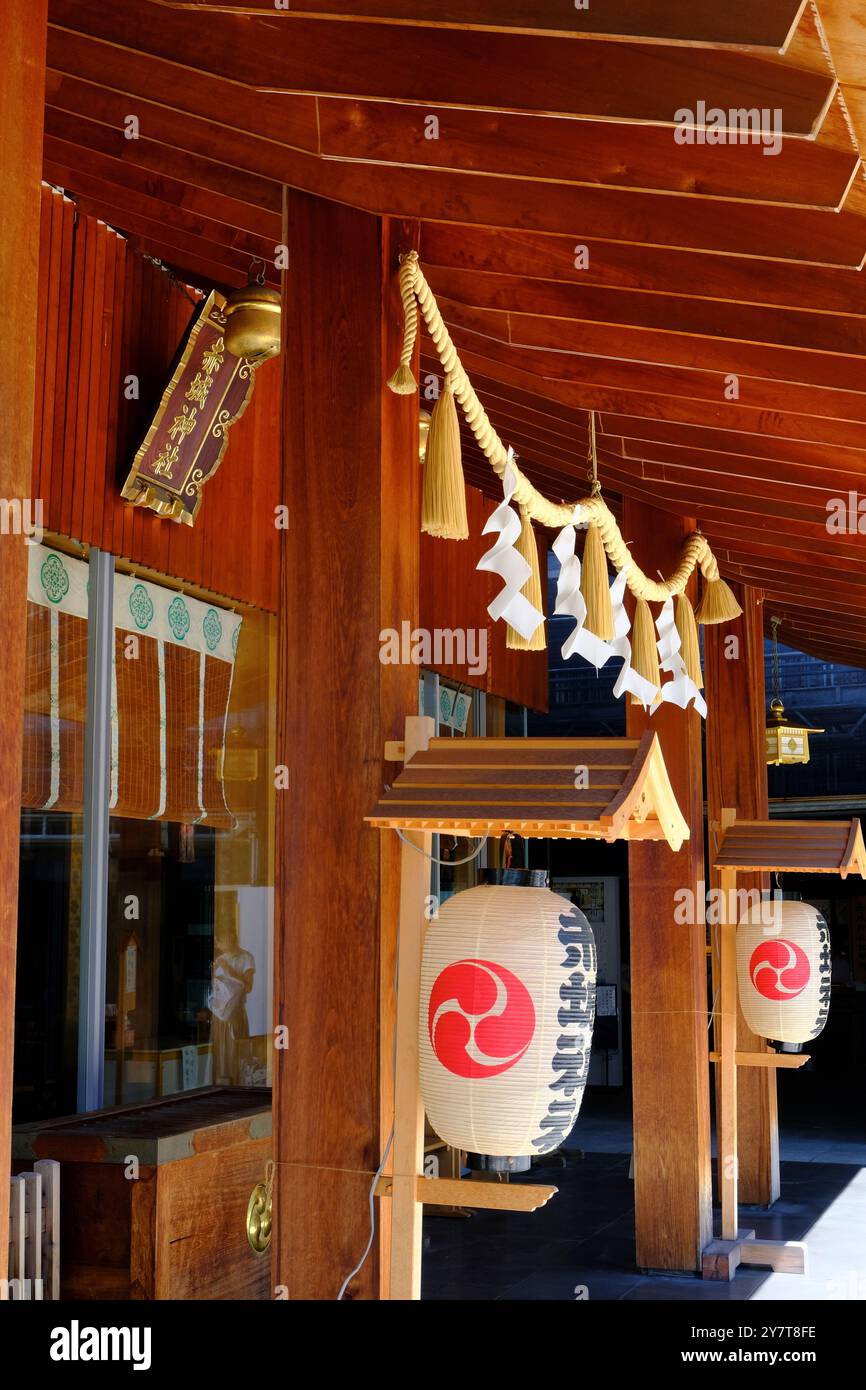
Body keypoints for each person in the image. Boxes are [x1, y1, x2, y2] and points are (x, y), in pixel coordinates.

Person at [209, 897, 255, 1085]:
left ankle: (238, 1084)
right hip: (219, 1014)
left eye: (227, 936)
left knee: (236, 1052)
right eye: (220, 940)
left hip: (235, 1012)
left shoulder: (245, 957)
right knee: (220, 1053)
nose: (221, 942)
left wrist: (228, 969)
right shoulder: (217, 959)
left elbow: (249, 987)